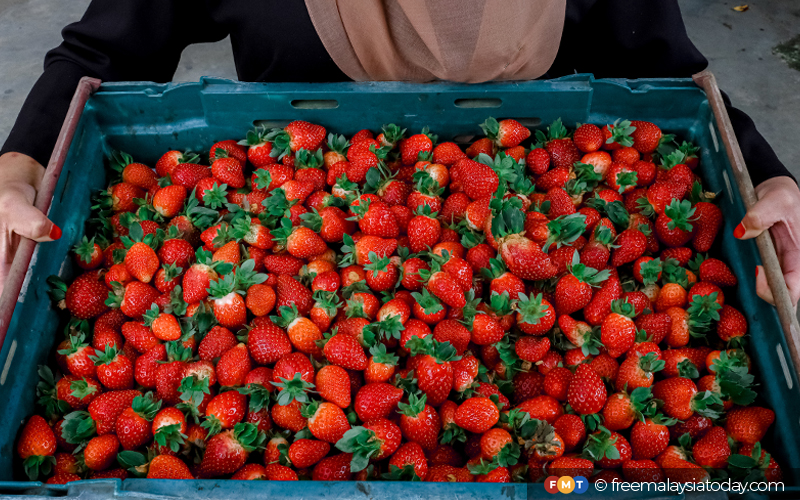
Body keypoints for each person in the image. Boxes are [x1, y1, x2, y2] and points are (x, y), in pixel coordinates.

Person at [0, 0, 798, 305]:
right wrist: (20, 165)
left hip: (532, 210)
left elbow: (667, 72)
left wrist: (766, 174)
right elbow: (98, 59)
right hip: (300, 201)